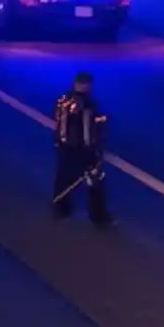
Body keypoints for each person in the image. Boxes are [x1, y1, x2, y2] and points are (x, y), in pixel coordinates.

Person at [52, 71, 113, 226]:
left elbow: (59, 123)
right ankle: (100, 218)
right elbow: (92, 128)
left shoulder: (64, 100)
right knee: (94, 182)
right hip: (84, 149)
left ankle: (61, 208)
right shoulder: (87, 104)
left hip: (66, 147)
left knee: (64, 179)